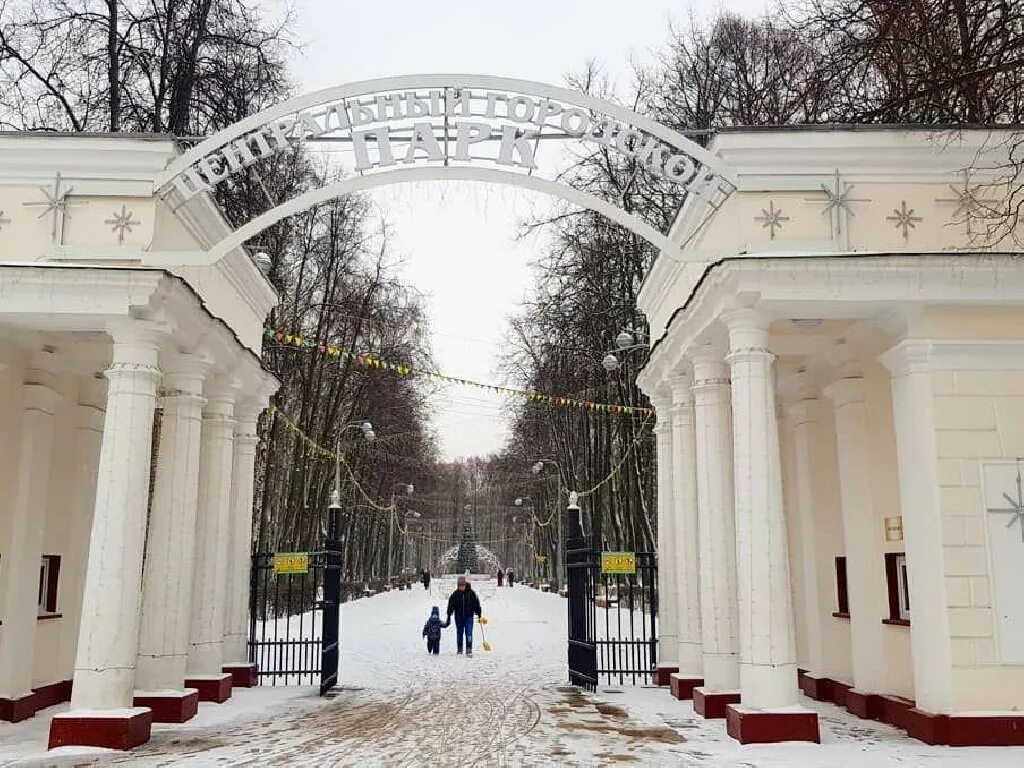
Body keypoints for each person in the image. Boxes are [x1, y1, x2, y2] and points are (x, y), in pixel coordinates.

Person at [446, 575, 482, 656]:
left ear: (465, 585)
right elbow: (450, 605)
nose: (461, 587)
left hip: (469, 617)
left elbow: (476, 604)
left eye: (462, 585)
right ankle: (459, 649)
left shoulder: (471, 593)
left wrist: (479, 613)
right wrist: (449, 615)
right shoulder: (455, 594)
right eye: (459, 586)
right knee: (459, 633)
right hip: (458, 617)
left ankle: (469, 649)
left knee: (469, 633)